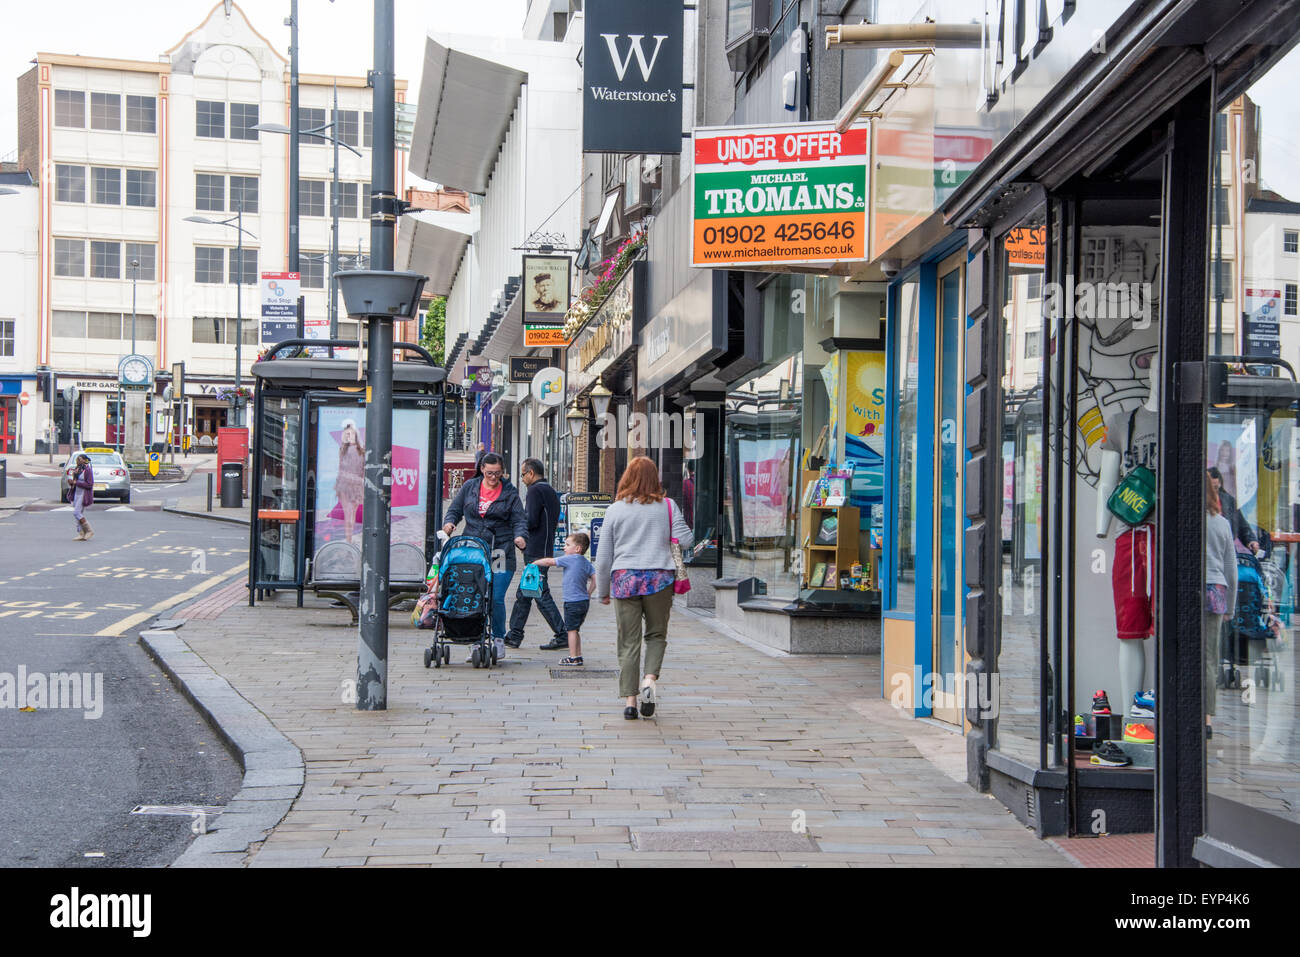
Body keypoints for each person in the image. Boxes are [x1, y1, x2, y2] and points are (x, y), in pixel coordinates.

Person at [594, 455, 694, 720]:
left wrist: (602, 591)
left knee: (628, 641)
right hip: (659, 579)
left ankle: (630, 701)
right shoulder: (668, 506)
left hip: (625, 579)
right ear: (655, 479)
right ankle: (649, 680)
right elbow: (686, 540)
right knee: (656, 635)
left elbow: (604, 555)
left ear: (627, 477)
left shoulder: (615, 509)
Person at [442, 452, 527, 659]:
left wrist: (520, 536)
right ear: (482, 469)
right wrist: (449, 523)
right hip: (474, 551)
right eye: (489, 473)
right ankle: (477, 640)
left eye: (497, 473)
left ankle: (498, 638)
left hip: (500, 549)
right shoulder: (470, 487)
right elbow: (454, 509)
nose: (493, 477)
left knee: (495, 597)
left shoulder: (510, 493)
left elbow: (519, 520)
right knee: (475, 596)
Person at [505, 458, 568, 650]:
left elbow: (530, 521)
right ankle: (514, 635)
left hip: (535, 550)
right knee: (526, 592)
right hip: (544, 548)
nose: (522, 479)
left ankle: (562, 634)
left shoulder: (534, 490)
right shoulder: (549, 490)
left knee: (539, 593)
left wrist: (514, 524)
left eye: (523, 474)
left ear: (531, 473)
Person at [1205, 472, 1238, 738]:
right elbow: (1231, 568)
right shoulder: (1222, 523)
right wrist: (1230, 607)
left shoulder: (1186, 521)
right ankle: (1206, 718)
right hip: (1215, 590)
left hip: (1188, 589)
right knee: (1209, 658)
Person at [533, 532, 595, 666]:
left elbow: (550, 561)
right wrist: (589, 592)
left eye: (567, 545)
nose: (564, 548)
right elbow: (595, 578)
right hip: (583, 601)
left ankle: (572, 657)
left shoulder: (571, 558)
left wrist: (533, 564)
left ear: (577, 549)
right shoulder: (585, 562)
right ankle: (578, 655)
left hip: (572, 602)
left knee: (571, 631)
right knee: (575, 629)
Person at [1207, 466, 1259, 552]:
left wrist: (1251, 540)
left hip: (1226, 548)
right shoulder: (1201, 502)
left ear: (1220, 484)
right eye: (1210, 489)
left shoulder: (1228, 501)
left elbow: (1242, 525)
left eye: (1216, 488)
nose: (1213, 492)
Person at [335, 419, 365, 545]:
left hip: (356, 484)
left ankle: (350, 539)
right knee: (348, 514)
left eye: (351, 434)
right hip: (344, 484)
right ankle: (348, 540)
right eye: (347, 434)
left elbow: (363, 469)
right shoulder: (343, 450)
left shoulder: (361, 451)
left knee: (351, 513)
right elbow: (340, 468)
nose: (349, 436)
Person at [71, 453, 94, 541]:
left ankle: (89, 530)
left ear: (84, 460)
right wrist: (72, 482)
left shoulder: (87, 470)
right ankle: (81, 533)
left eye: (80, 459)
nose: (78, 461)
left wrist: (77, 483)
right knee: (78, 514)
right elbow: (74, 481)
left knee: (76, 513)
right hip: (76, 493)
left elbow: (90, 484)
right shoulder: (77, 469)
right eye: (77, 459)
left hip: (83, 494)